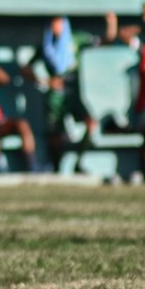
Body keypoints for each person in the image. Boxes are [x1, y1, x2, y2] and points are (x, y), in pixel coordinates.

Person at [21, 16, 97, 174]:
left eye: (59, 22)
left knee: (90, 123)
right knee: (56, 136)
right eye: (53, 23)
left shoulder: (75, 40)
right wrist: (45, 81)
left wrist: (112, 24)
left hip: (73, 96)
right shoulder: (46, 46)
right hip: (55, 98)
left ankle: (79, 163)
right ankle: (56, 168)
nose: (55, 26)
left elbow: (103, 41)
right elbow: (26, 68)